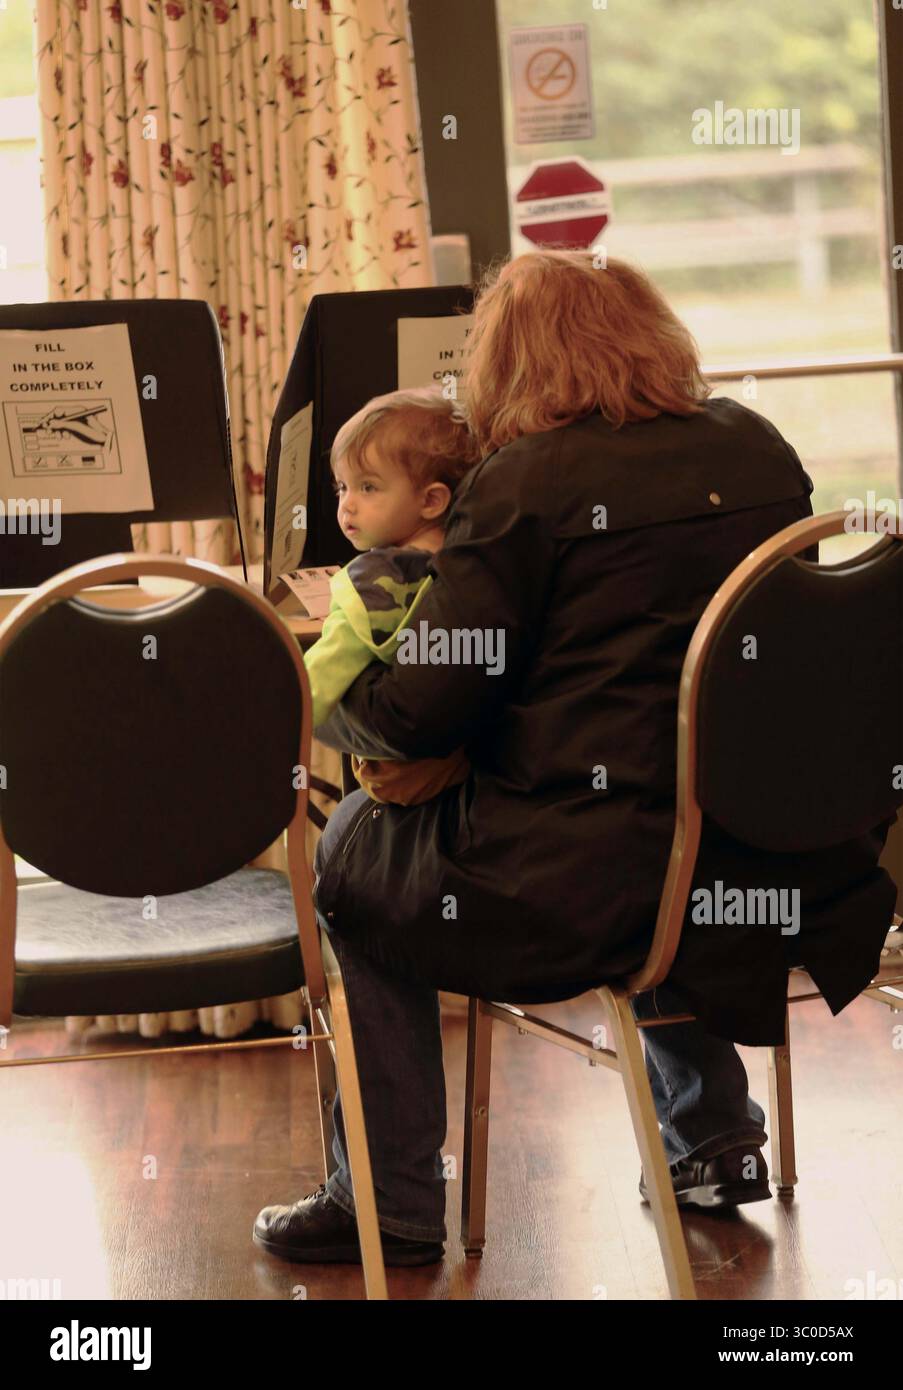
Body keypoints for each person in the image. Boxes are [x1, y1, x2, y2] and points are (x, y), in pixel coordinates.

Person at [253, 251, 896, 1267]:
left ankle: (392, 1202)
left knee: (356, 852)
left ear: (508, 361)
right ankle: (712, 1135)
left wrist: (321, 694)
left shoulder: (523, 486)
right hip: (764, 849)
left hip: (580, 884)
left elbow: (421, 712)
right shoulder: (759, 446)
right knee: (652, 795)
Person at [304, 387, 477, 805]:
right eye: (342, 487)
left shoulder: (373, 579)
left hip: (397, 777)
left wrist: (274, 712)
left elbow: (323, 674)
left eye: (368, 487)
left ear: (432, 500)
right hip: (461, 770)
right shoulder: (468, 562)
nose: (347, 506)